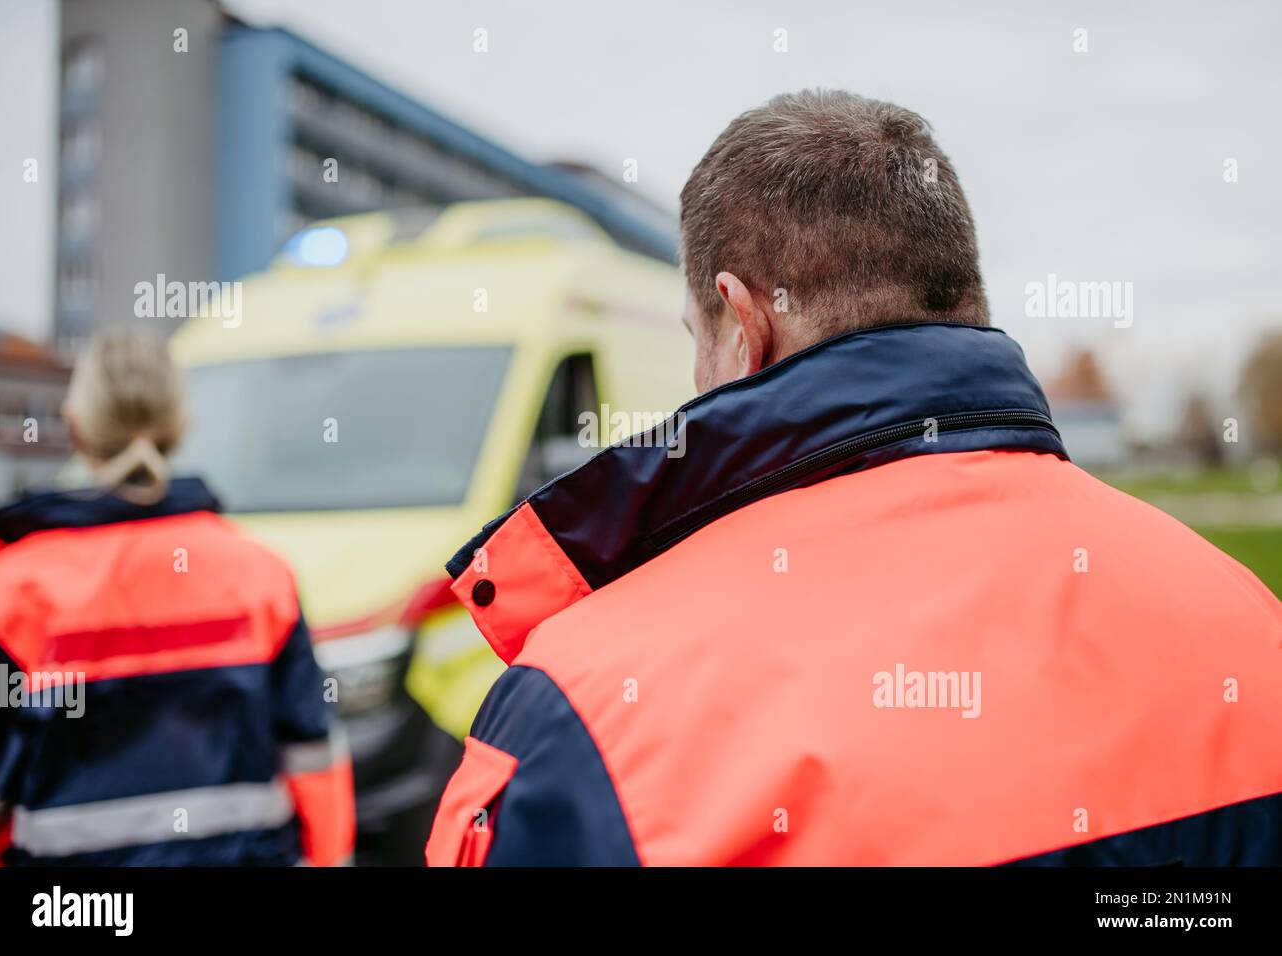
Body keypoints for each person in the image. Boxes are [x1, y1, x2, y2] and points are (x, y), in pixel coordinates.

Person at [426, 90, 1282, 866]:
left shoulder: (582, 717)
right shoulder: (1246, 619)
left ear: (744, 323)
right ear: (961, 302)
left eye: (698, 333)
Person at [0, 327, 354, 865]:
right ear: (180, 426)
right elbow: (313, 760)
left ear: (76, 427)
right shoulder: (260, 575)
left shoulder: (12, 591)